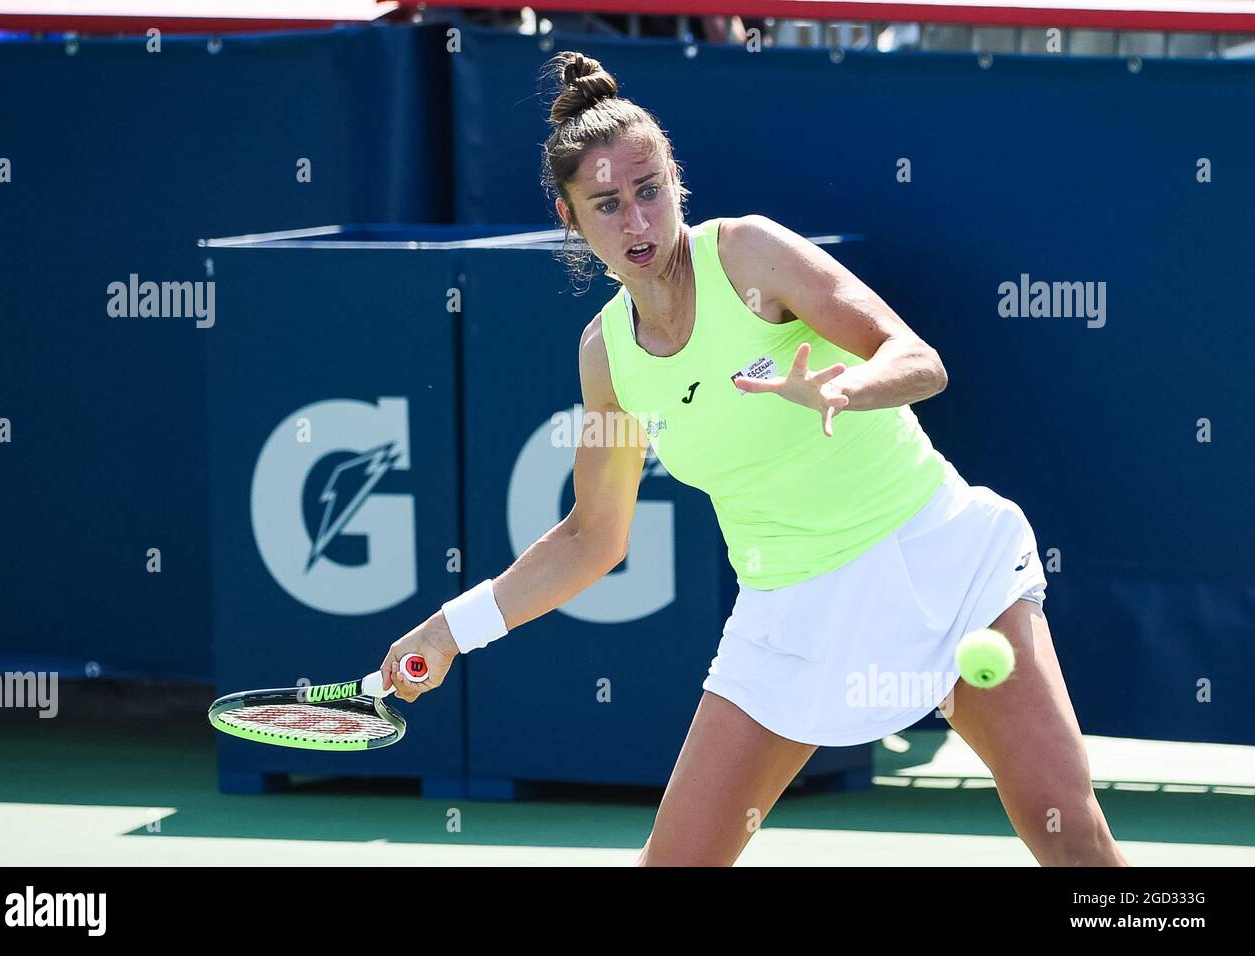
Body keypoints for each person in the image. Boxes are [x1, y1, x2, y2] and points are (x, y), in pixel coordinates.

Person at [380, 51, 1129, 867]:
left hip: (940, 562)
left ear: (675, 181)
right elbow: (592, 538)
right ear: (570, 217)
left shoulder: (750, 257)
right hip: (790, 615)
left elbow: (918, 358)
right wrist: (452, 630)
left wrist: (848, 390)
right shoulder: (606, 360)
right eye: (607, 204)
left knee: (1069, 834)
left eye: (649, 191)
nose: (637, 221)